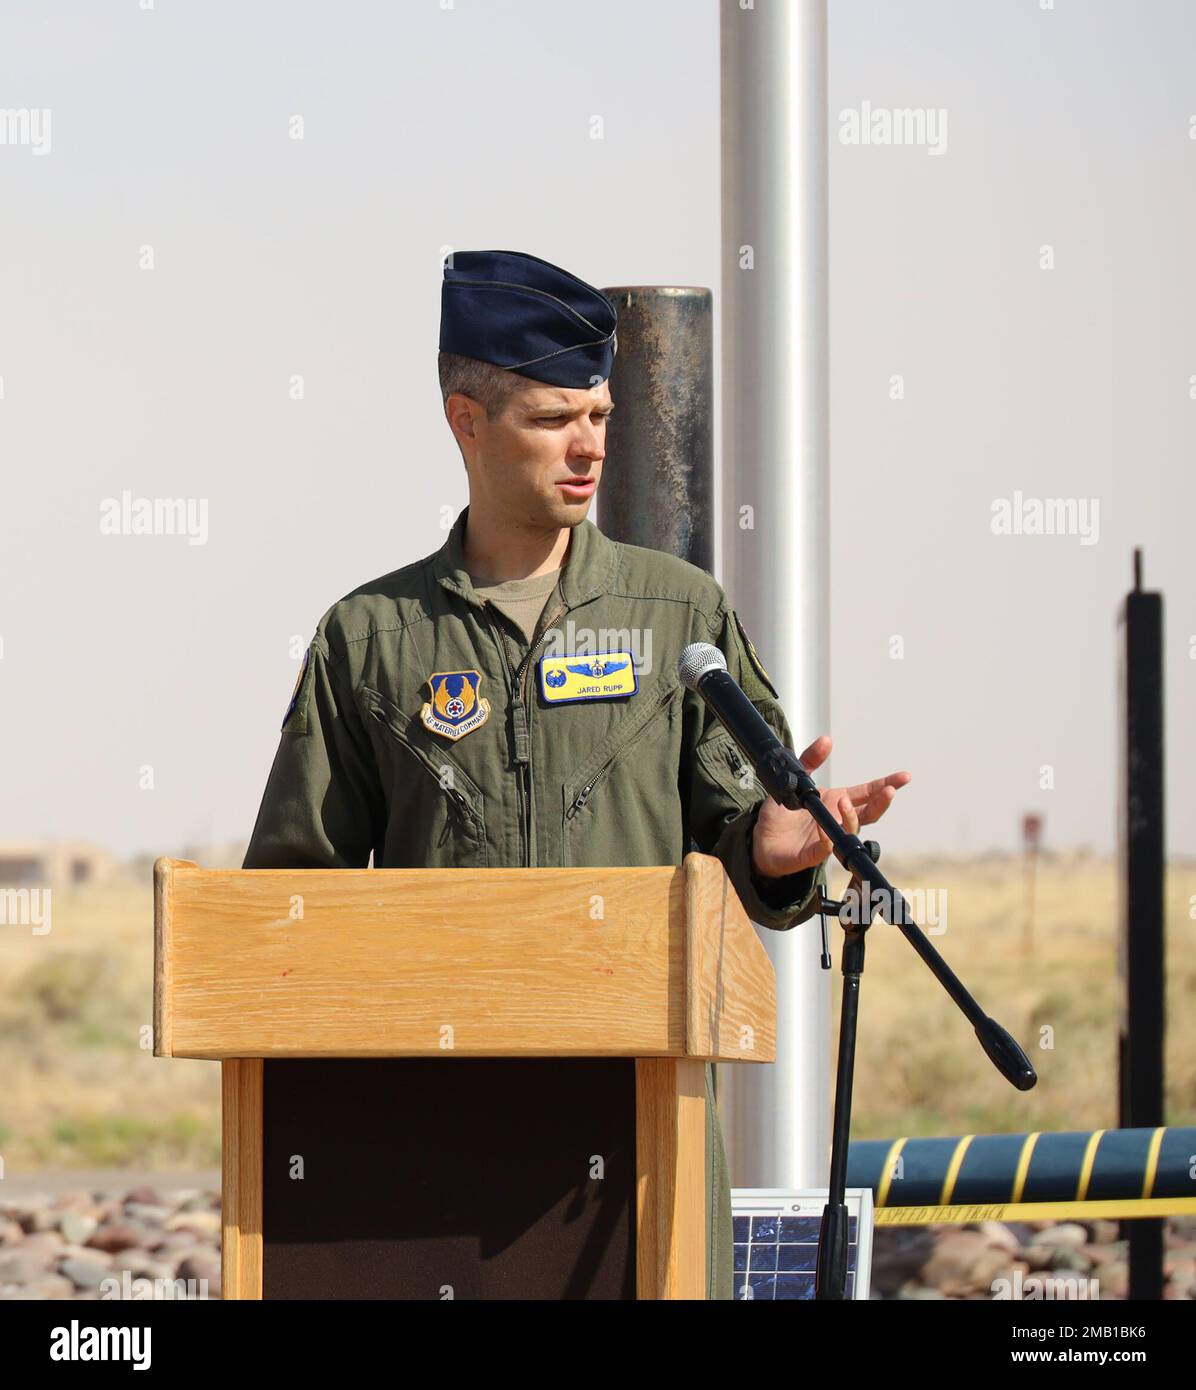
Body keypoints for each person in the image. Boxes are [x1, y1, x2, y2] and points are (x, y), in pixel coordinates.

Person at [242, 248, 911, 1299]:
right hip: (438, 1145)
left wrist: (776, 853)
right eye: (555, 417)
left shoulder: (677, 615)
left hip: (638, 1134)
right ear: (467, 421)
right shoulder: (370, 638)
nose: (589, 445)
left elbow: (742, 847)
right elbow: (293, 903)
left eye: (599, 415)